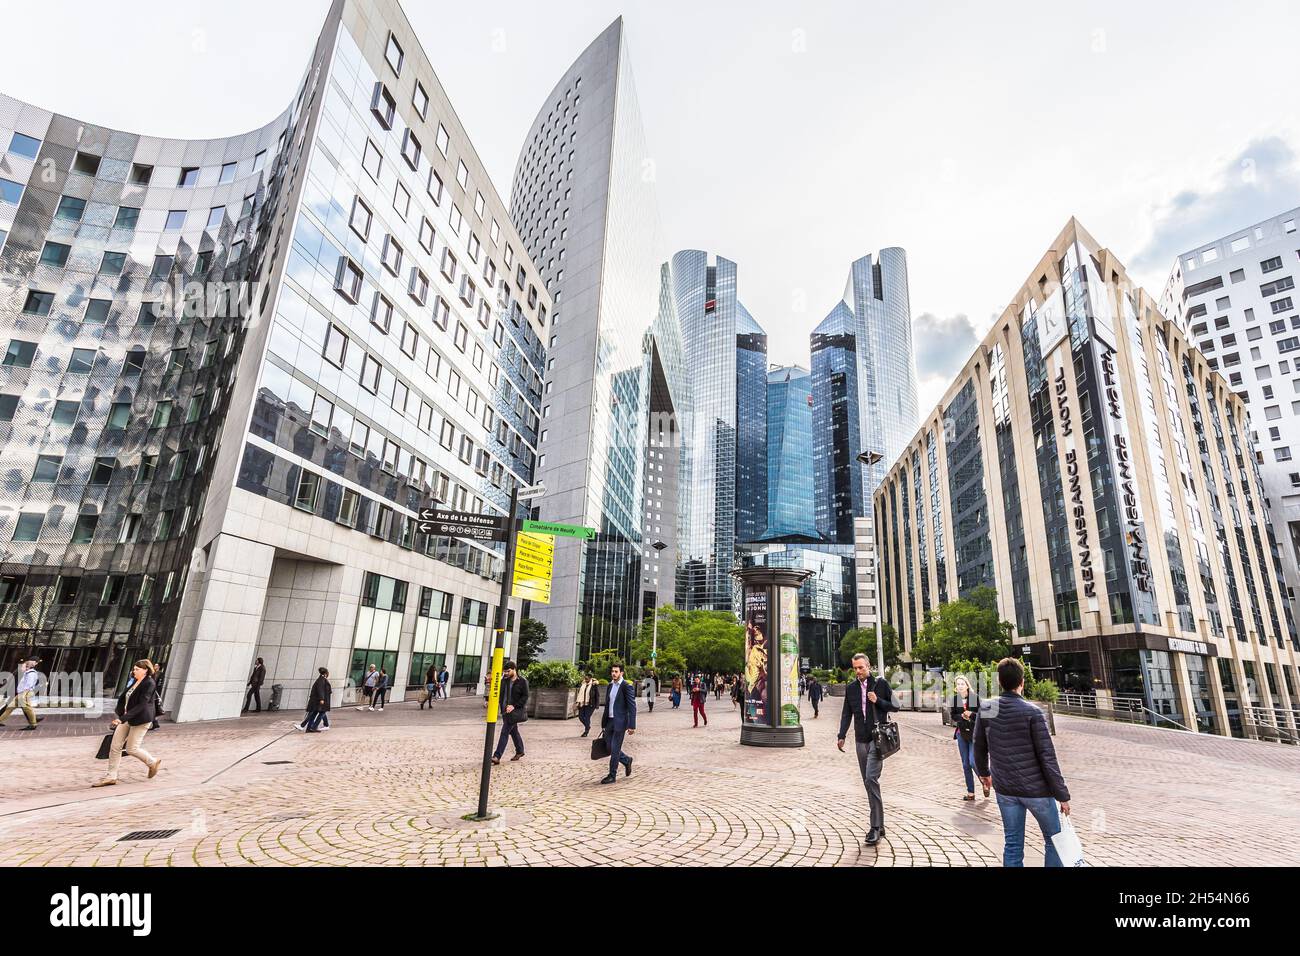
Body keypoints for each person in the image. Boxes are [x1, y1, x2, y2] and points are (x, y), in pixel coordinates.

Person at [974, 658, 1072, 867]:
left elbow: (979, 746)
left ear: (999, 681)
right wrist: (1062, 795)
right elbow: (1047, 757)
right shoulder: (1032, 712)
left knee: (1013, 844)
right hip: (1037, 791)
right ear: (1022, 682)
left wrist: (984, 774)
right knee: (1054, 840)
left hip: (1006, 789)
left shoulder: (987, 708)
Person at [837, 652, 899, 846]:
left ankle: (874, 827)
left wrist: (877, 700)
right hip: (860, 740)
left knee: (871, 778)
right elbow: (846, 713)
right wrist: (841, 735)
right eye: (855, 668)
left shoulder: (880, 684)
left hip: (877, 740)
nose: (858, 671)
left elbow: (895, 706)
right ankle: (880, 824)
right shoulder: (851, 688)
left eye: (861, 667)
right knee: (868, 782)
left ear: (868, 666)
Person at [92, 660, 162, 786]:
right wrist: (121, 715)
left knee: (131, 749)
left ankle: (152, 762)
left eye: (137, 669)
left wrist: (122, 718)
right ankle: (111, 776)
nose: (134, 671)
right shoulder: (135, 681)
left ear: (145, 670)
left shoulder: (149, 683)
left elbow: (142, 705)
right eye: (134, 669)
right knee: (115, 746)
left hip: (141, 720)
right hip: (127, 718)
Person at [600, 662, 636, 784]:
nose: (613, 674)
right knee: (609, 747)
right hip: (609, 721)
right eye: (612, 671)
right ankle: (626, 760)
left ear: (621, 673)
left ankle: (612, 775)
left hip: (620, 722)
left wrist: (632, 725)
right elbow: (607, 705)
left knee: (615, 748)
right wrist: (604, 723)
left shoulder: (626, 686)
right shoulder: (610, 685)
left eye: (616, 671)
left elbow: (632, 706)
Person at [951, 675, 984, 801]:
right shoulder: (955, 699)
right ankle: (971, 793)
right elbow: (953, 715)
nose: (960, 686)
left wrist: (971, 714)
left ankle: (984, 780)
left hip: (974, 734)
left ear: (967, 685)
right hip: (961, 734)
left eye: (962, 684)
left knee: (972, 761)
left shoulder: (975, 698)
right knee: (965, 765)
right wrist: (961, 716)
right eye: (958, 684)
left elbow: (983, 714)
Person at [491, 661, 529, 764]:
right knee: (514, 731)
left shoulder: (522, 681)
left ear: (514, 669)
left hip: (514, 712)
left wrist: (514, 706)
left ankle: (497, 756)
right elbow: (500, 693)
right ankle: (520, 751)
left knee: (504, 732)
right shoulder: (504, 680)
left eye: (508, 671)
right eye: (505, 671)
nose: (506, 673)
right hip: (505, 711)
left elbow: (525, 697)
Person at [0, 658, 43, 731]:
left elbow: (29, 685)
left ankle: (33, 724)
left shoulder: (31, 674)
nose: (21, 668)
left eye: (23, 666)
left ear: (27, 667)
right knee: (9, 708)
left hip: (24, 693)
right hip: (19, 693)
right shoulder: (27, 673)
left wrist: (23, 694)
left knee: (27, 708)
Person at [304, 667, 332, 733]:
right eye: (328, 673)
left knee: (314, 714)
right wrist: (322, 699)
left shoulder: (321, 679)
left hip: (320, 700)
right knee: (321, 713)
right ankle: (313, 727)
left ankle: (309, 728)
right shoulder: (321, 680)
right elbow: (320, 690)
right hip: (321, 700)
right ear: (326, 673)